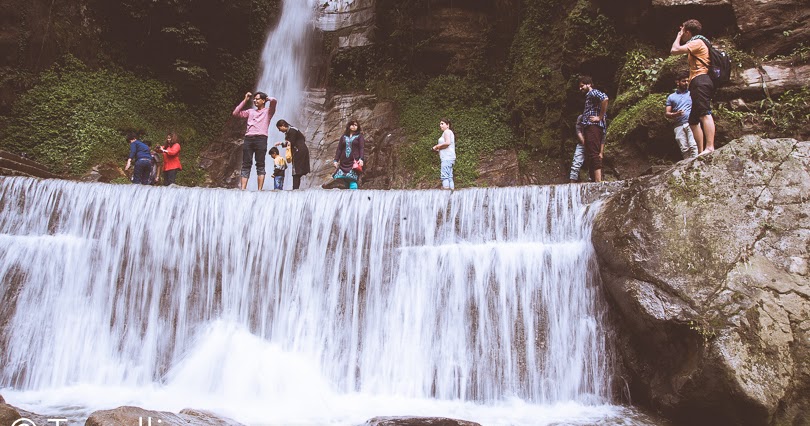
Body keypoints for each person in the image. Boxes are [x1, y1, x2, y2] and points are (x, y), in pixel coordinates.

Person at [670, 19, 715, 155]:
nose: (682, 34)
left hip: (701, 80)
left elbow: (674, 50)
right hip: (696, 82)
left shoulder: (697, 42)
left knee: (704, 113)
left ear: (687, 32)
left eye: (683, 31)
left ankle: (710, 147)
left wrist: (678, 36)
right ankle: (701, 151)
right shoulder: (699, 42)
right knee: (693, 121)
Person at [232, 91, 278, 190]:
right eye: (254, 99)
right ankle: (243, 189)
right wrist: (245, 100)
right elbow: (235, 113)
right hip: (248, 138)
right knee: (246, 163)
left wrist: (267, 98)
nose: (255, 101)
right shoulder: (250, 111)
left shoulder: (268, 112)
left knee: (260, 163)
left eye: (257, 99)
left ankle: (259, 190)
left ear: (263, 100)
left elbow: (274, 101)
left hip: (261, 139)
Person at [578, 76, 609, 183]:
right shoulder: (589, 96)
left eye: (582, 86)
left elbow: (605, 98)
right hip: (590, 127)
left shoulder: (593, 92)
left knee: (594, 153)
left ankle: (598, 181)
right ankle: (595, 180)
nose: (580, 88)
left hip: (593, 126)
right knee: (591, 152)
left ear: (589, 84)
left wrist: (600, 117)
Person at [665, 72, 699, 159]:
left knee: (693, 145)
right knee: (684, 148)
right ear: (677, 82)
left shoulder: (692, 93)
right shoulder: (671, 97)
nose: (686, 83)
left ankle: (696, 166)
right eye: (683, 81)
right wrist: (676, 114)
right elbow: (667, 113)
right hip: (678, 125)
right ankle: (687, 167)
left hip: (691, 123)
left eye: (688, 81)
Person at [275, 119, 310, 190]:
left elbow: (291, 142)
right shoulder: (292, 130)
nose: (279, 130)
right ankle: (295, 188)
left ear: (283, 125)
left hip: (299, 151)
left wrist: (281, 143)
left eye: (279, 128)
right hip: (300, 150)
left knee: (296, 171)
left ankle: (295, 188)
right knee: (297, 170)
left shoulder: (292, 131)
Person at [331, 120, 365, 190]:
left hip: (353, 162)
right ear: (349, 126)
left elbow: (361, 148)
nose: (354, 126)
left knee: (352, 180)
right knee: (339, 179)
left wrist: (361, 159)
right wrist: (336, 160)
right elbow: (339, 149)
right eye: (352, 125)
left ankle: (353, 197)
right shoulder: (343, 137)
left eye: (356, 125)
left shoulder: (359, 136)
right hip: (343, 162)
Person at [432, 118, 456, 190]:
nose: (440, 125)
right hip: (450, 157)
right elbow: (446, 145)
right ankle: (452, 193)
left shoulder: (447, 132)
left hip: (446, 158)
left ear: (447, 125)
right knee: (450, 177)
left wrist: (436, 146)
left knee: (445, 176)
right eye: (440, 124)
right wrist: (438, 149)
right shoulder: (448, 132)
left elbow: (447, 143)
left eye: (442, 123)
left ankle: (446, 192)